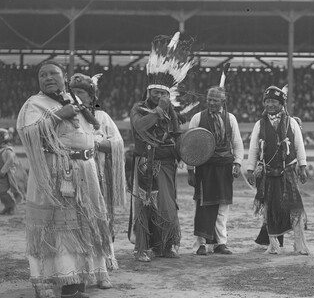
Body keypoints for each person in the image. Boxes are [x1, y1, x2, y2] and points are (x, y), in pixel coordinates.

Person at [16, 60, 112, 298]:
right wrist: (60, 115)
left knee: (80, 228)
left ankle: (73, 286)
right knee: (55, 230)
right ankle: (45, 293)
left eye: (53, 73)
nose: (48, 77)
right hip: (53, 174)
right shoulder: (34, 104)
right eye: (42, 74)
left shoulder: (73, 99)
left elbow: (91, 127)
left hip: (83, 173)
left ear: (64, 77)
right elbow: (28, 133)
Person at [128, 32, 195, 262]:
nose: (159, 96)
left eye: (163, 93)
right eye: (156, 92)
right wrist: (157, 111)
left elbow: (177, 138)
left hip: (166, 164)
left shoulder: (173, 113)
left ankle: (166, 246)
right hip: (145, 164)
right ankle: (142, 248)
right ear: (149, 93)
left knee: (167, 207)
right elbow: (139, 128)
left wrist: (187, 155)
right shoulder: (138, 108)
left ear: (169, 94)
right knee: (144, 205)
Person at [69, 73, 127, 282]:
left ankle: (105, 260)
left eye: (80, 92)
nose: (76, 96)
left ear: (91, 96)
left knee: (100, 216)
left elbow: (118, 144)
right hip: (73, 176)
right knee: (77, 219)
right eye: (73, 92)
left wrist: (97, 144)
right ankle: (81, 266)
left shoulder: (102, 117)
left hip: (98, 175)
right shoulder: (67, 116)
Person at [246, 85, 310, 255]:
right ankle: (273, 245)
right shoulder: (259, 124)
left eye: (274, 101)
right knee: (270, 209)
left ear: (281, 104)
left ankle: (299, 245)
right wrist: (250, 169)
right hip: (268, 173)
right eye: (267, 101)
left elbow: (299, 146)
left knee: (295, 207)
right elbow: (253, 149)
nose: (270, 104)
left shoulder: (292, 122)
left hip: (287, 171)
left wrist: (303, 167)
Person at [187, 69, 244, 256]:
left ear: (223, 102)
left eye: (215, 100)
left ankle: (221, 243)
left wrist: (237, 163)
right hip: (204, 168)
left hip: (225, 167)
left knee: (222, 207)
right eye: (209, 99)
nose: (211, 103)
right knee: (202, 206)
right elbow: (188, 146)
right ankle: (200, 244)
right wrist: (190, 170)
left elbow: (237, 142)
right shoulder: (197, 118)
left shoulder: (231, 119)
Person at [0, 127, 27, 215]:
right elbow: (0, 162)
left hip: (4, 176)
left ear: (3, 139)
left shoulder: (7, 150)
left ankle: (11, 205)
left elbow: (10, 160)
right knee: (0, 191)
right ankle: (7, 207)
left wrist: (3, 171)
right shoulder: (1, 150)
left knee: (1, 191)